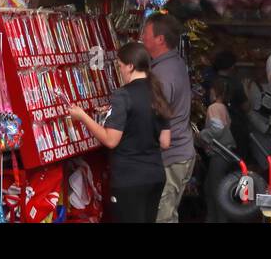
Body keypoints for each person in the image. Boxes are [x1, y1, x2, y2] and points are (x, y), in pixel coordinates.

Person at [69, 42, 171, 224]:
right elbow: (165, 141)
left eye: (120, 66)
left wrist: (83, 116)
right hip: (155, 175)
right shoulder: (157, 92)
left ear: (130, 66)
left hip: (129, 178)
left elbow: (110, 140)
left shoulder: (123, 95)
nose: (120, 71)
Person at [142, 12, 193, 223]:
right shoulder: (175, 63)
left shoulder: (163, 74)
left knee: (163, 217)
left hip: (171, 157)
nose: (142, 37)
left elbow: (154, 116)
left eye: (146, 33)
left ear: (160, 39)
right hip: (180, 152)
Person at [199, 77, 238, 224]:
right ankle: (213, 217)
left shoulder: (214, 108)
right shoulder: (223, 107)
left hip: (219, 154)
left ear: (214, 91)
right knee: (210, 186)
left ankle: (219, 219)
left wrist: (202, 134)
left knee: (215, 190)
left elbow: (217, 128)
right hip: (225, 153)